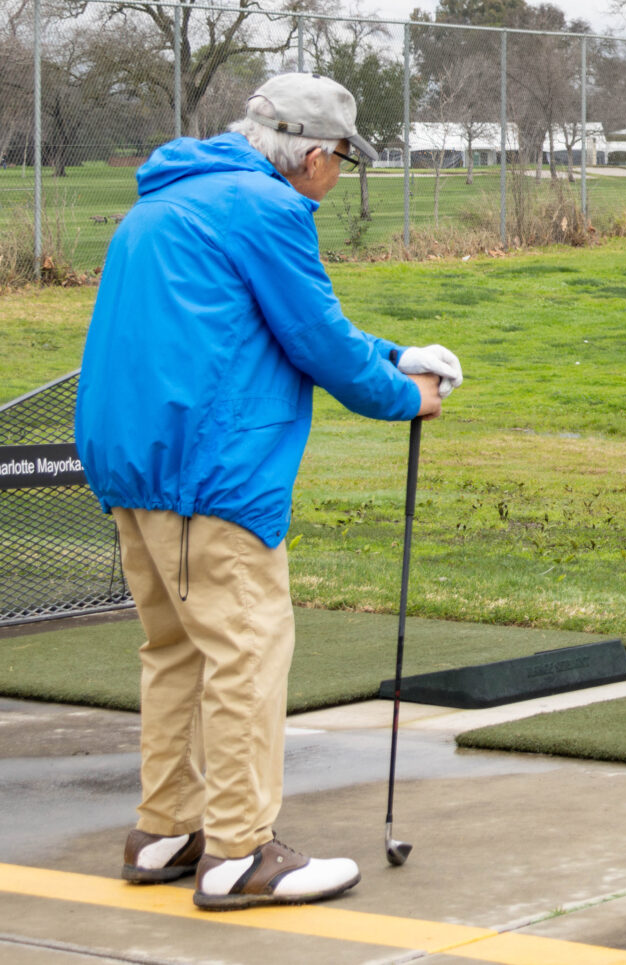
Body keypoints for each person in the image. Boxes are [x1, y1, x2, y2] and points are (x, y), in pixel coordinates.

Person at [75, 73, 465, 911]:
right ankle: (241, 852)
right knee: (246, 655)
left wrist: (395, 351)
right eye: (342, 162)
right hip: (209, 475)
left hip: (135, 470)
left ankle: (165, 832)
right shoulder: (268, 209)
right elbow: (318, 341)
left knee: (176, 651)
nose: (338, 177)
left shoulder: (166, 202)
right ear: (315, 154)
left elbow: (283, 322)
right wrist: (408, 394)